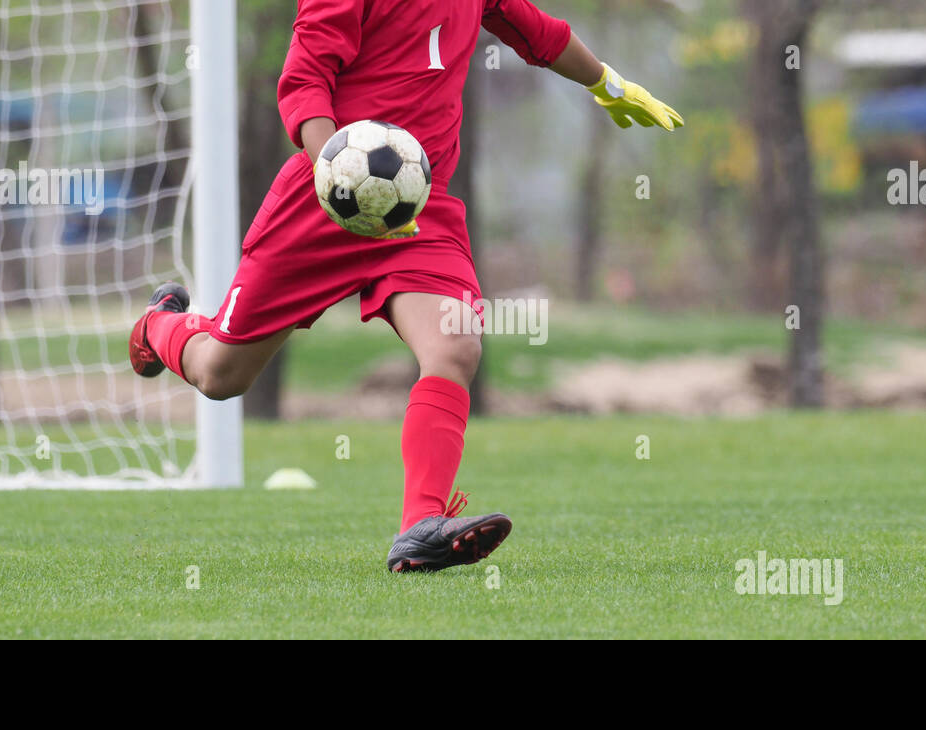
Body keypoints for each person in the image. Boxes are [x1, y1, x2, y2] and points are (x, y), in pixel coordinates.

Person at [128, 0, 682, 572]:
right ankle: (158, 327)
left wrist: (609, 83)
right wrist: (339, 174)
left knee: (455, 344)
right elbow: (304, 83)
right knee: (221, 375)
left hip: (419, 207)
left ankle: (421, 526)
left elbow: (537, 33)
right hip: (323, 201)